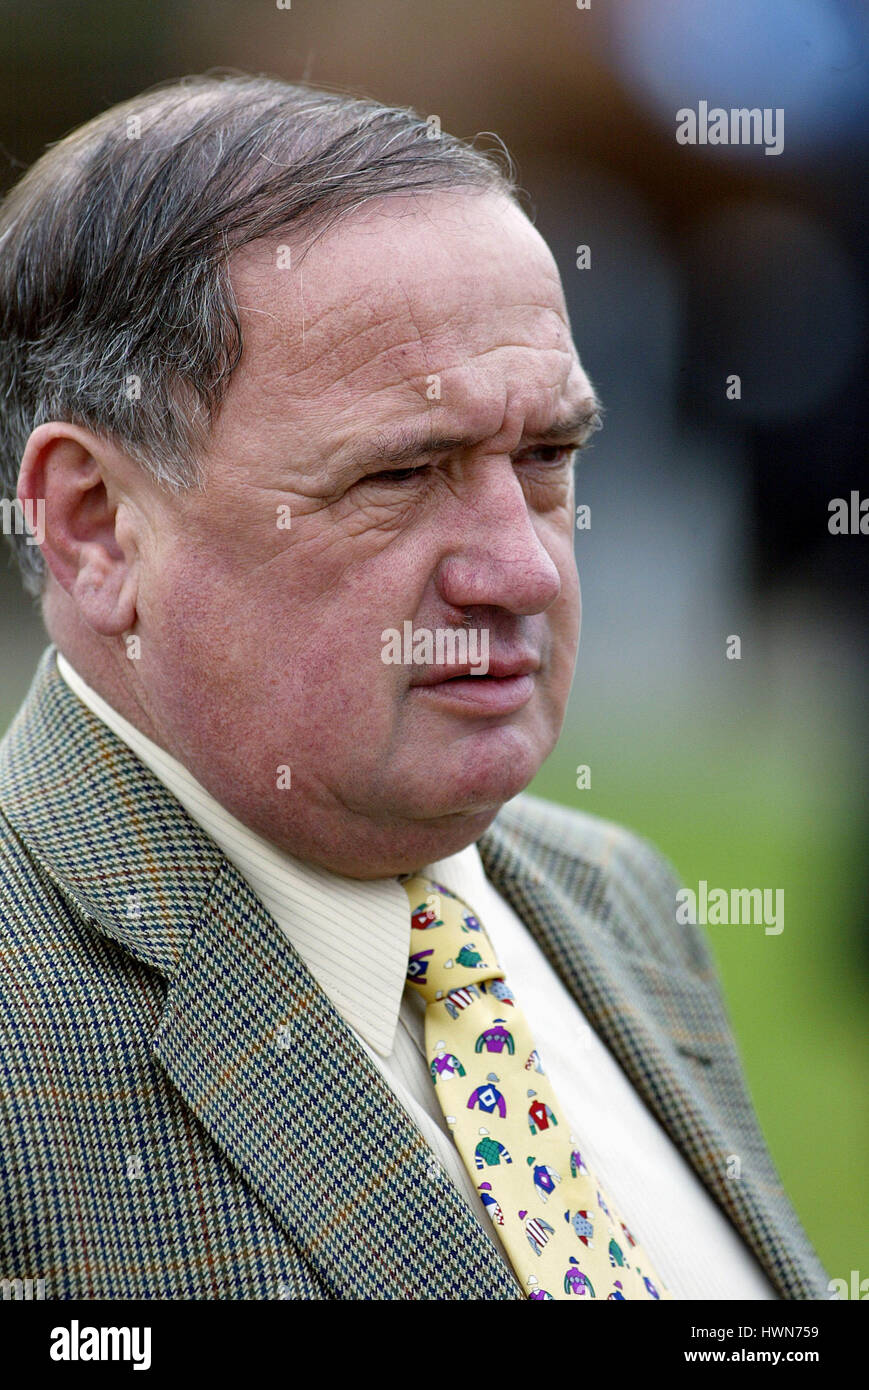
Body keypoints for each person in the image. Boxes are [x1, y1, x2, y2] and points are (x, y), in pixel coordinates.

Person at [0, 73, 827, 1300]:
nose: (523, 568)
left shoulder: (617, 901)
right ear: (96, 525)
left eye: (545, 455)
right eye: (398, 476)